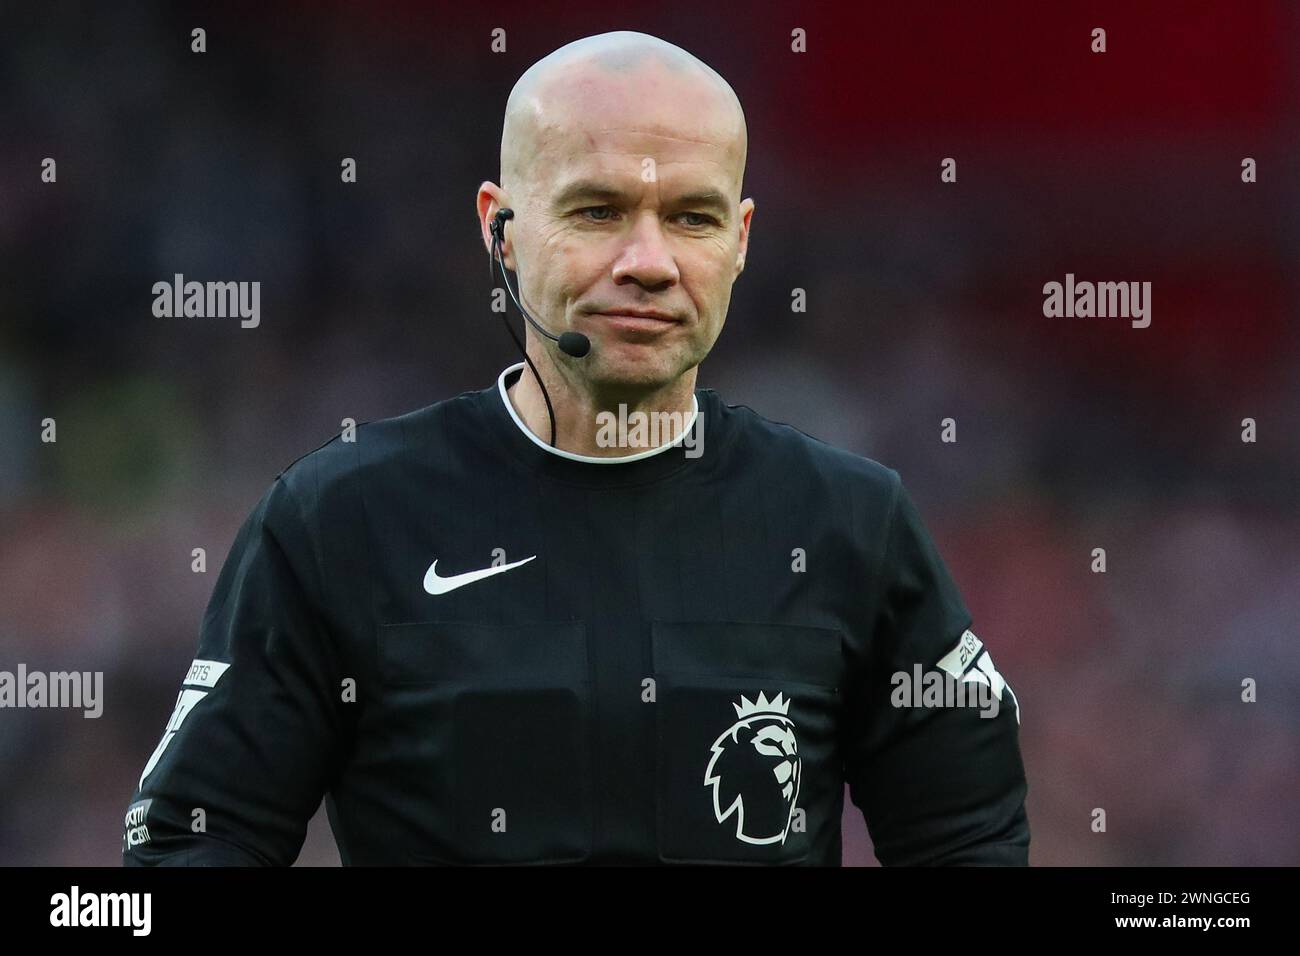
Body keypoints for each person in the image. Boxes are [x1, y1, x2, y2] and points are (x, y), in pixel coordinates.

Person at [123, 30, 1028, 866]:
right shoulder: (339, 522)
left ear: (743, 241)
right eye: (598, 211)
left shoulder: (851, 526)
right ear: (500, 230)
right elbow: (194, 846)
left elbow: (969, 841)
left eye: (693, 218)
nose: (649, 260)